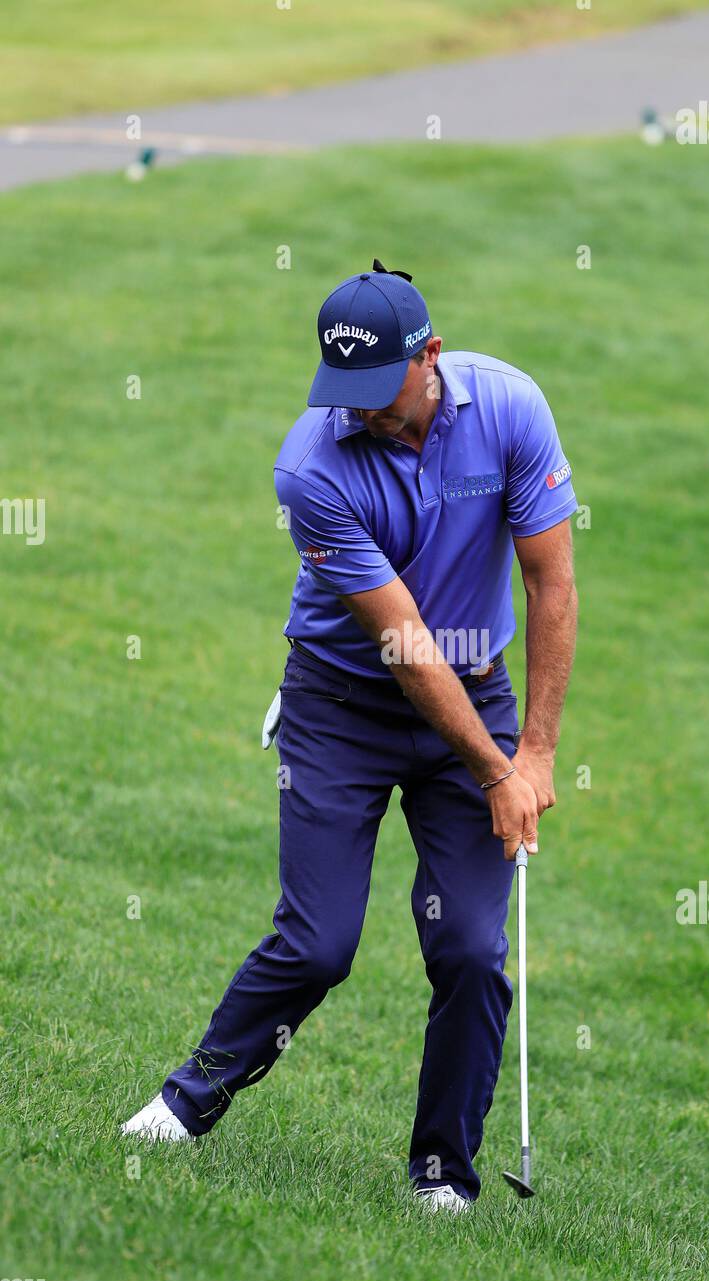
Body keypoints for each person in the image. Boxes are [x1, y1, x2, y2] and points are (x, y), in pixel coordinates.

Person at [122, 260, 578, 1212]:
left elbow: (551, 583)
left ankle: (443, 1173)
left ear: (432, 359)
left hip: (482, 693)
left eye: (380, 392)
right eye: (347, 394)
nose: (363, 412)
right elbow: (407, 644)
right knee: (320, 942)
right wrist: (497, 768)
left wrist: (533, 754)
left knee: (468, 950)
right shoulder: (310, 466)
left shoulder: (513, 409)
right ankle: (185, 1100)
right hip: (342, 704)